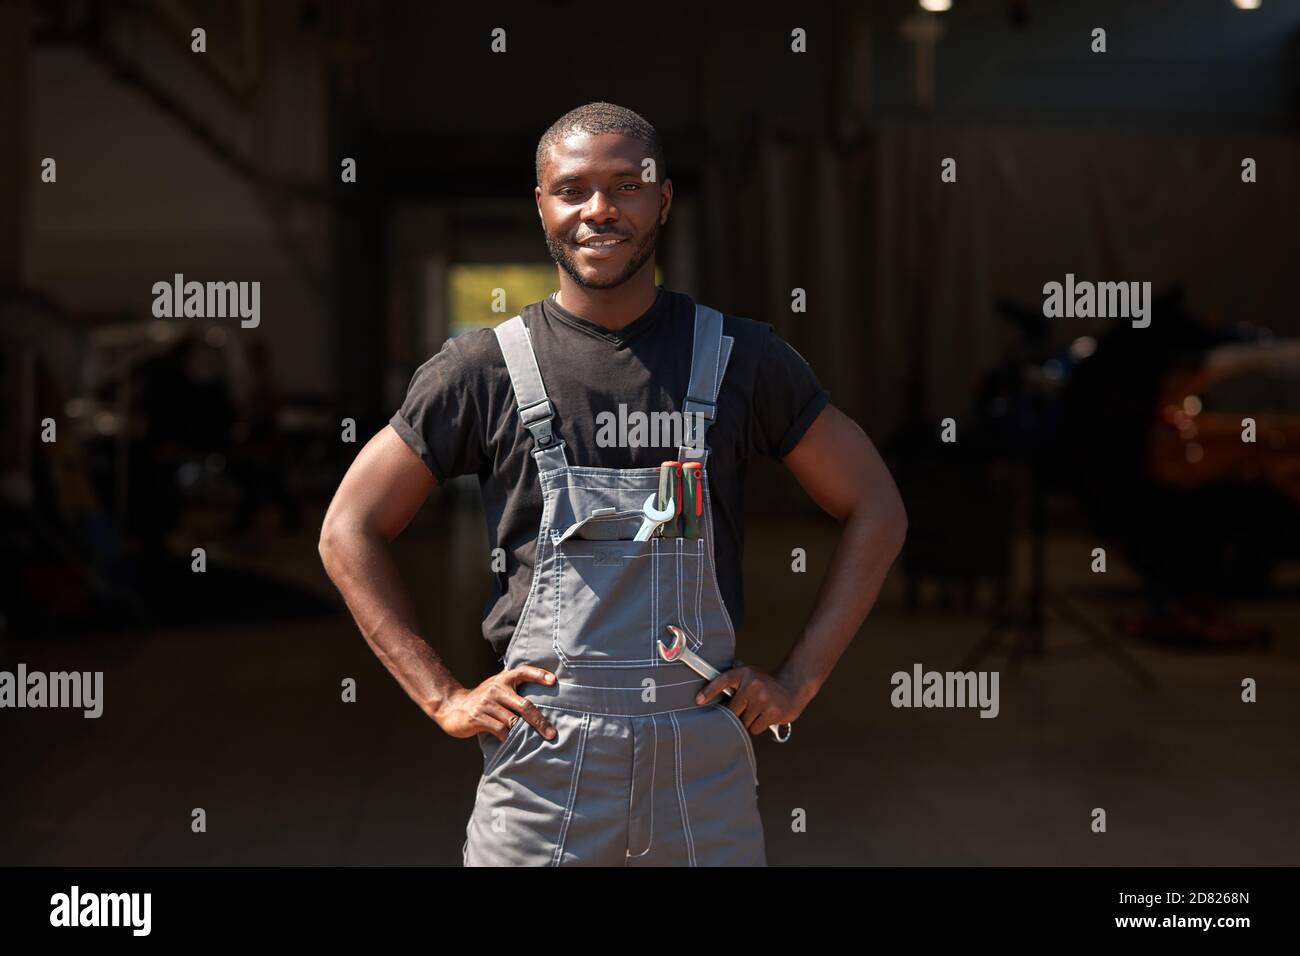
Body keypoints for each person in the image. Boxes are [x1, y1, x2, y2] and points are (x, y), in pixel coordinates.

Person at [318, 102, 908, 866]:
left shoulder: (742, 359)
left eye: (627, 185)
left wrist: (799, 680)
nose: (600, 210)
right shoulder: (483, 370)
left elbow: (876, 507)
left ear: (663, 199)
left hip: (701, 767)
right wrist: (443, 697)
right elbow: (347, 529)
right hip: (542, 764)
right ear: (542, 205)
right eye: (573, 190)